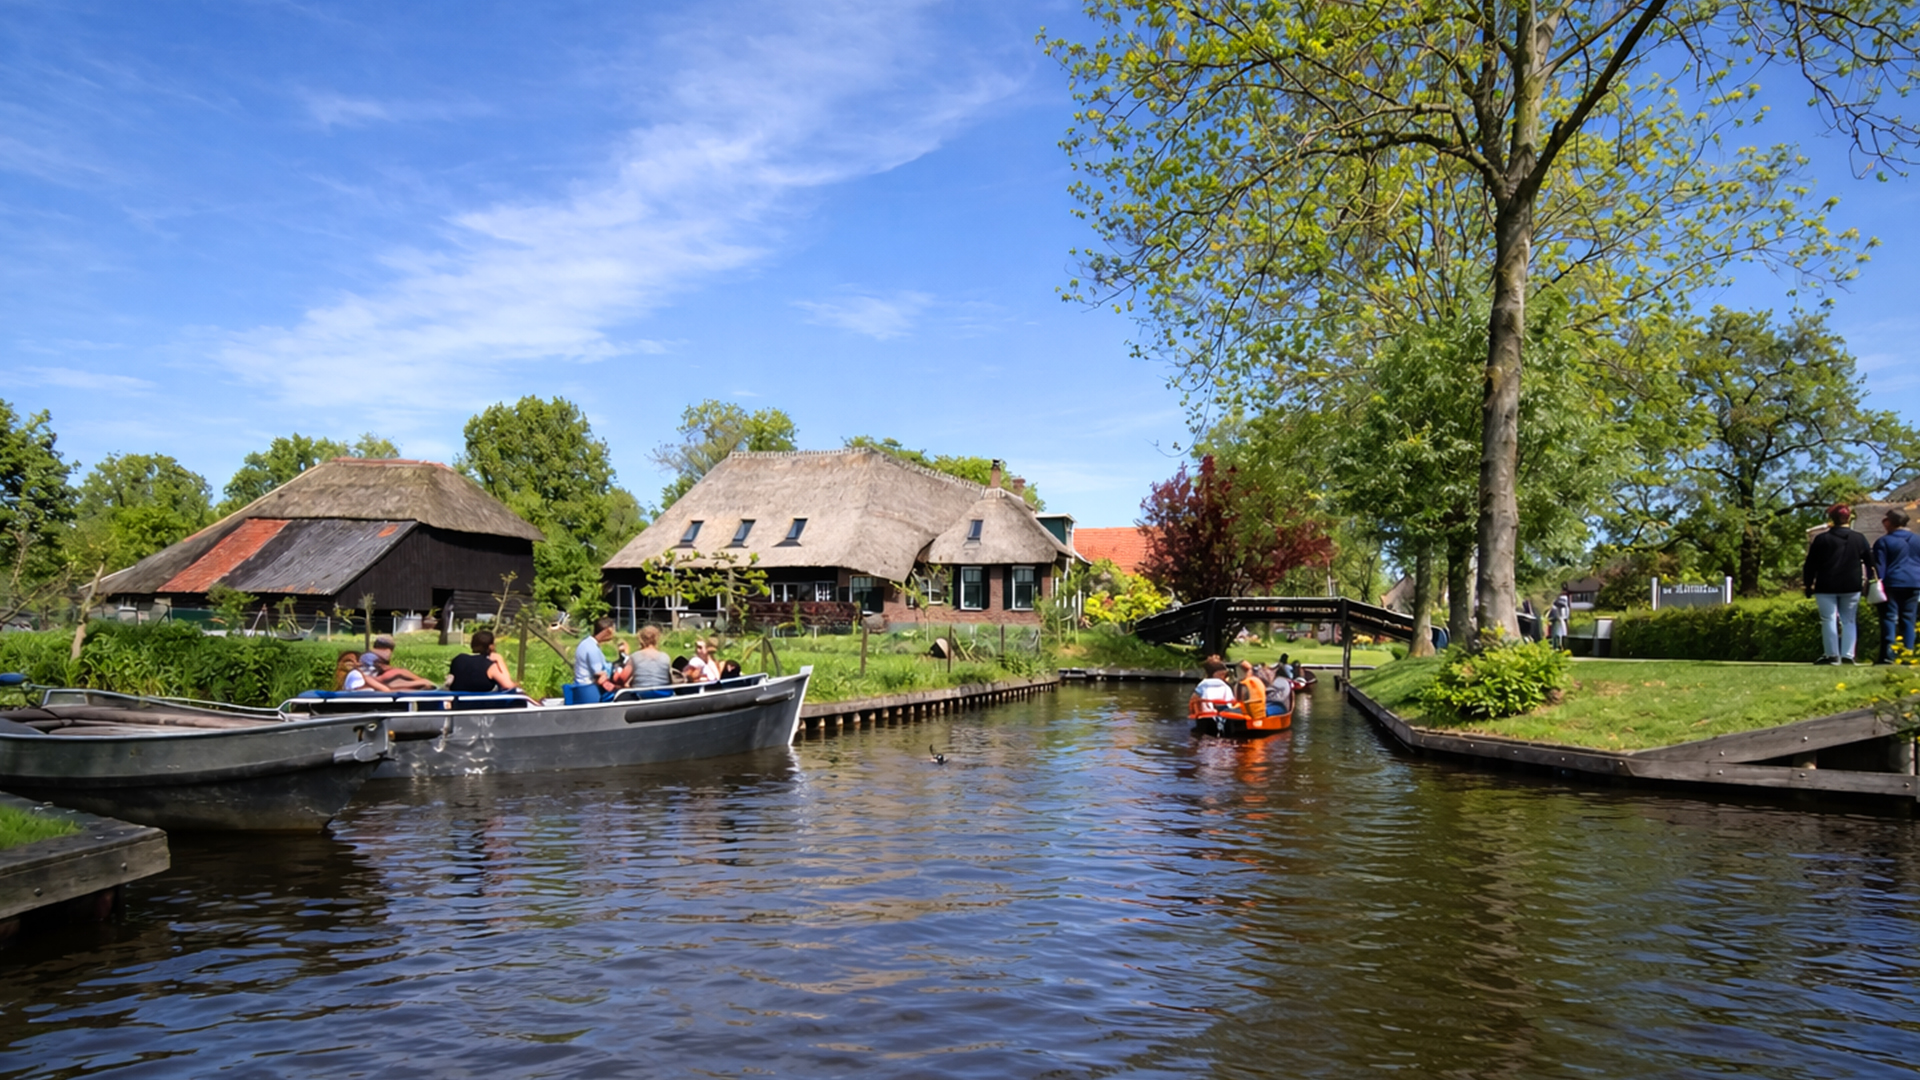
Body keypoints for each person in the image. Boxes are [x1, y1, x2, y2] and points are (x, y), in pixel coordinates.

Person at [1804, 503, 1875, 665]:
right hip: (1851, 584)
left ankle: (1831, 655)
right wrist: (1870, 581)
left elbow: (1810, 565)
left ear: (1831, 519)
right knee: (1849, 620)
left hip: (1826, 585)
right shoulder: (1859, 538)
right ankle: (1848, 654)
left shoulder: (1822, 539)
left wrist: (1808, 585)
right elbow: (1870, 561)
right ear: (1848, 518)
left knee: (1828, 619)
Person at [1874, 507, 1920, 664]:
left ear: (1890, 522)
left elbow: (1880, 567)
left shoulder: (1884, 541)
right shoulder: (1917, 540)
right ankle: (1908, 653)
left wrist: (1875, 583)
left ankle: (1889, 654)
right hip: (1914, 582)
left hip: (1892, 582)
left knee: (1889, 618)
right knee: (1909, 619)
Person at [449, 629, 520, 693]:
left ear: (472, 645)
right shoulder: (490, 666)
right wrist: (500, 660)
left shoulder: (457, 660)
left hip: (459, 705)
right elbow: (508, 686)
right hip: (485, 706)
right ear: (491, 647)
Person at [574, 617, 625, 697]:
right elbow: (600, 679)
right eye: (613, 630)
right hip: (589, 690)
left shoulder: (586, 643)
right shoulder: (592, 648)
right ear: (608, 630)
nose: (614, 634)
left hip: (582, 687)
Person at [361, 635, 435, 690]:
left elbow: (381, 667)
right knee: (399, 673)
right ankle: (424, 683)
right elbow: (377, 669)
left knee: (400, 674)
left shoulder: (371, 655)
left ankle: (424, 683)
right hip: (373, 679)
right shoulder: (369, 656)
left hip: (378, 679)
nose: (390, 653)